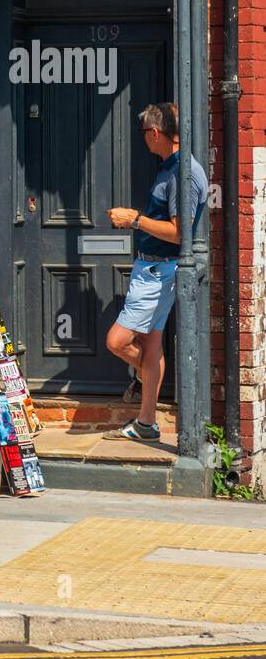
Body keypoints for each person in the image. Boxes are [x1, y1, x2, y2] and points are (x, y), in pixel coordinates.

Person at [104, 103, 207, 442]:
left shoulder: (182, 174)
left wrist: (133, 219)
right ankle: (146, 422)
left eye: (145, 135)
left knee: (117, 341)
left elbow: (180, 233)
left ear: (155, 133)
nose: (144, 142)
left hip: (159, 271)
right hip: (152, 268)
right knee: (151, 345)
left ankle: (145, 380)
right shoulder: (171, 166)